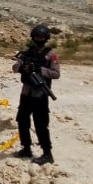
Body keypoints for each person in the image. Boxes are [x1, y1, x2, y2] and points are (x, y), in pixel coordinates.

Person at [12, 24, 61, 165]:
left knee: (40, 124)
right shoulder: (28, 53)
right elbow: (14, 68)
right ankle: (26, 148)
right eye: (36, 37)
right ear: (33, 37)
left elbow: (56, 74)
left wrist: (40, 69)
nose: (39, 39)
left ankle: (47, 153)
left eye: (42, 37)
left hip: (40, 94)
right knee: (22, 120)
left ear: (46, 38)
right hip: (26, 92)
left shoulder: (51, 55)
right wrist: (21, 66)